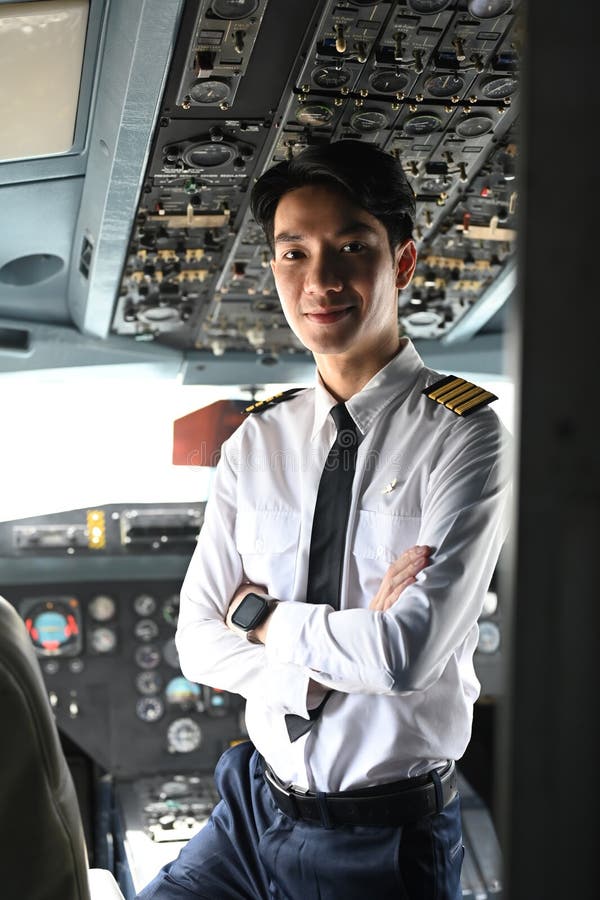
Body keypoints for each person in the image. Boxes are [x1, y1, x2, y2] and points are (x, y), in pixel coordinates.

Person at [136, 140, 511, 899]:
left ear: (401, 263)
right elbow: (197, 643)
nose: (321, 280)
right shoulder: (257, 440)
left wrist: (261, 616)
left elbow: (404, 656)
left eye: (350, 247)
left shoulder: (465, 431)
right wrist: (328, 664)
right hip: (251, 805)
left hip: (382, 837)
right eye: (293, 253)